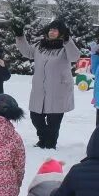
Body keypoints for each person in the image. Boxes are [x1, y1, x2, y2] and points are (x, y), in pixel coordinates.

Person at [16, 19, 80, 149]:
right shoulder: (40, 46)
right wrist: (20, 36)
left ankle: (50, 144)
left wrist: (67, 40)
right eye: (50, 29)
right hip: (39, 89)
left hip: (58, 90)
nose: (52, 32)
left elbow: (75, 57)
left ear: (61, 33)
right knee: (36, 117)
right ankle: (43, 138)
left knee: (54, 121)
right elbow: (27, 52)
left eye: (55, 30)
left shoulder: (65, 47)